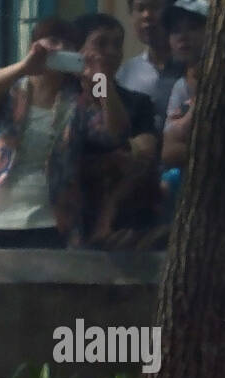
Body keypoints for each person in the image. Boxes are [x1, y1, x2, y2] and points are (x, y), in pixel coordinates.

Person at [0, 17, 130, 248]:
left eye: (69, 46)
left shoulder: (77, 105)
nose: (60, 49)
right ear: (34, 46)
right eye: (53, 41)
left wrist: (102, 81)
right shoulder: (8, 94)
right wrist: (23, 67)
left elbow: (115, 134)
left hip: (52, 224)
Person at [74, 12, 160, 246]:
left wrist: (103, 83)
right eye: (101, 44)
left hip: (123, 213)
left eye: (117, 45)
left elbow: (143, 153)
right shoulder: (63, 99)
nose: (111, 52)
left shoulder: (137, 102)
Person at [159, 0, 207, 212]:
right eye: (175, 30)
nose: (182, 36)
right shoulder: (177, 85)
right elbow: (169, 152)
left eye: (193, 27)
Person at [116, 0, 180, 132]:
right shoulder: (125, 73)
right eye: (140, 8)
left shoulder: (193, 69)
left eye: (155, 7)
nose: (147, 15)